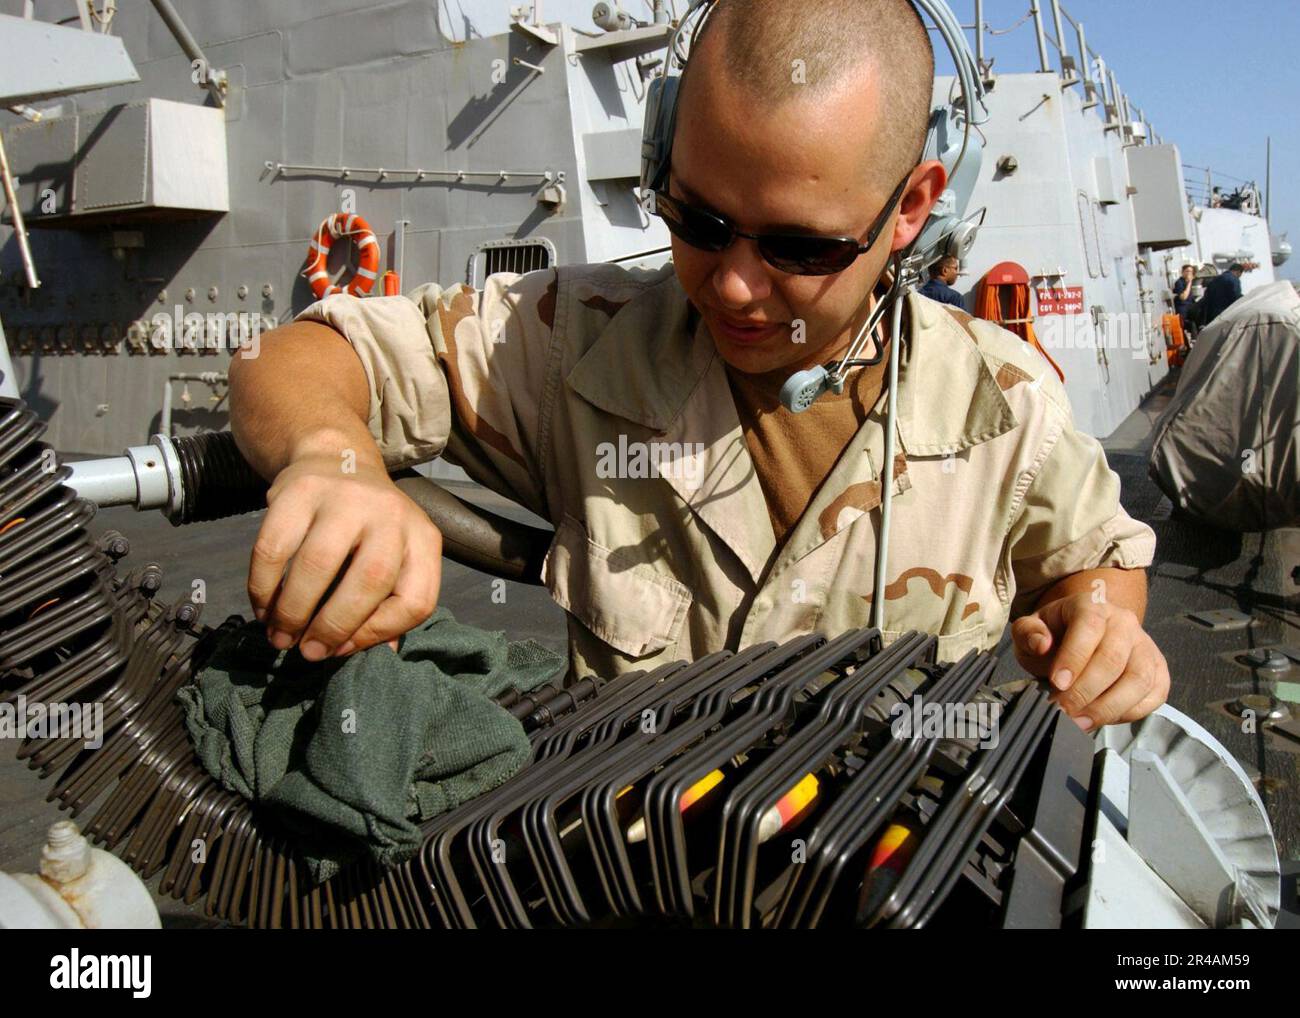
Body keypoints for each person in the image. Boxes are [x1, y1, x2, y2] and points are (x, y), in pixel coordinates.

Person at [228, 0, 1168, 732]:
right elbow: (300, 355)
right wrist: (332, 458)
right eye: (699, 221)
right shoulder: (571, 344)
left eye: (800, 248)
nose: (735, 286)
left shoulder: (1007, 406)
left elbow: (1093, 563)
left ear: (913, 206)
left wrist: (1103, 628)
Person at [1172, 264, 1196, 329]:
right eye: (1187, 271)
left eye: (1191, 272)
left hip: (1190, 306)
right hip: (1183, 308)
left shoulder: (1187, 282)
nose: (1189, 273)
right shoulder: (1179, 282)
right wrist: (1189, 283)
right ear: (1182, 272)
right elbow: (1183, 297)